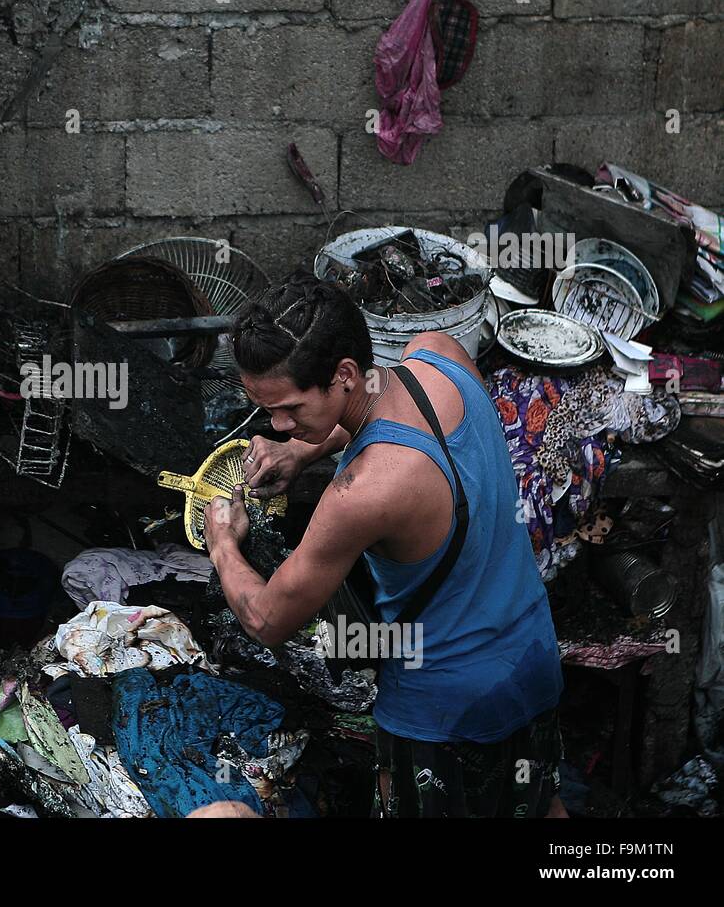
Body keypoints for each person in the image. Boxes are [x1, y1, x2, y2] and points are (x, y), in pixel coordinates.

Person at [203, 274, 567, 818]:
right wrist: (303, 450)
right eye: (266, 411)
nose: (278, 426)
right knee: (534, 804)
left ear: (344, 374)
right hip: (533, 658)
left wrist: (223, 547)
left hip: (445, 708)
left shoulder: (359, 496)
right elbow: (388, 412)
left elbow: (266, 619)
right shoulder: (439, 355)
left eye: (291, 410)